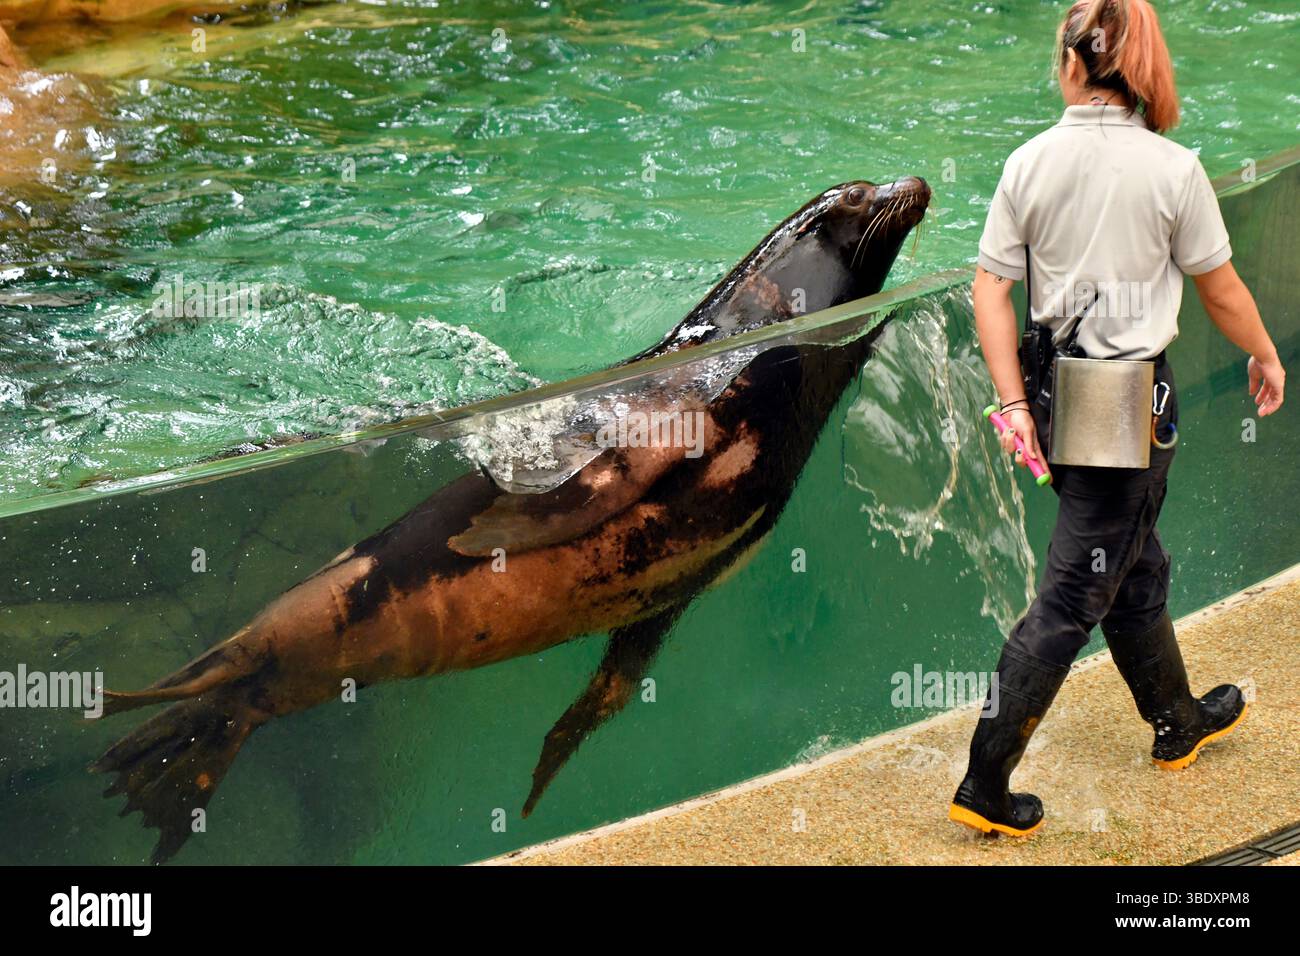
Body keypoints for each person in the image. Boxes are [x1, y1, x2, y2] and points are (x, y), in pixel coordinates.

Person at [949, 0, 1286, 837]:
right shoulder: (1172, 169)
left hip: (1055, 393)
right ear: (1139, 66)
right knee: (1072, 595)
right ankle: (984, 781)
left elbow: (990, 289)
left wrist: (1014, 404)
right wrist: (1266, 354)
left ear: (1071, 62)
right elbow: (1221, 288)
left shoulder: (1027, 162)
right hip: (1124, 403)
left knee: (1131, 562)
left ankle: (1176, 719)